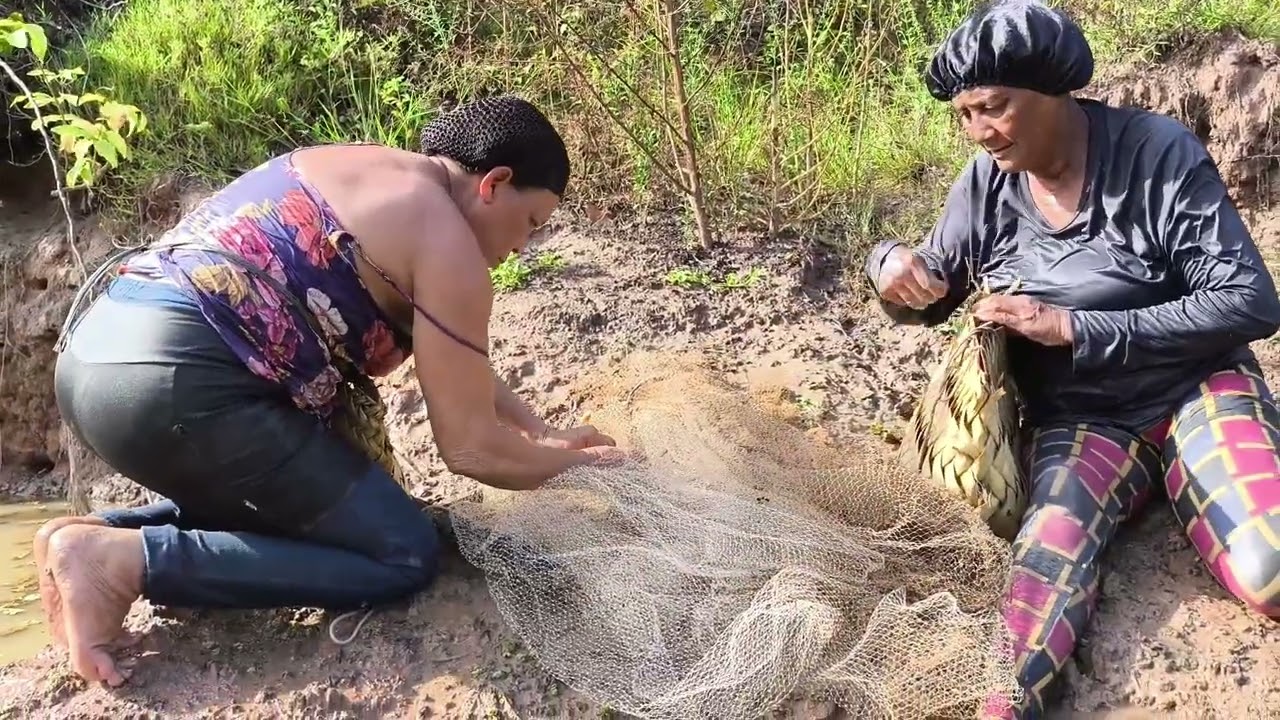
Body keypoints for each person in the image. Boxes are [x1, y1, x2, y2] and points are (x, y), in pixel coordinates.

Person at [39, 94, 627, 688]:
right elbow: (471, 450)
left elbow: (457, 356)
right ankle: (120, 562)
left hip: (98, 359)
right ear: (494, 184)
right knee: (401, 550)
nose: (523, 247)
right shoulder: (450, 245)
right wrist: (586, 473)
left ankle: (95, 535)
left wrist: (539, 430)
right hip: (182, 387)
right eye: (531, 223)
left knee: (321, 513)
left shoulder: (356, 168)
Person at [865, 2, 1280, 717]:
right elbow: (931, 285)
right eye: (964, 114)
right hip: (1082, 422)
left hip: (1193, 389)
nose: (979, 131)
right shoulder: (984, 185)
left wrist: (1074, 326)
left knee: (1269, 571)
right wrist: (891, 268)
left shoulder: (1156, 154)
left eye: (992, 107)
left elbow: (1250, 301)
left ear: (1052, 88)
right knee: (1033, 604)